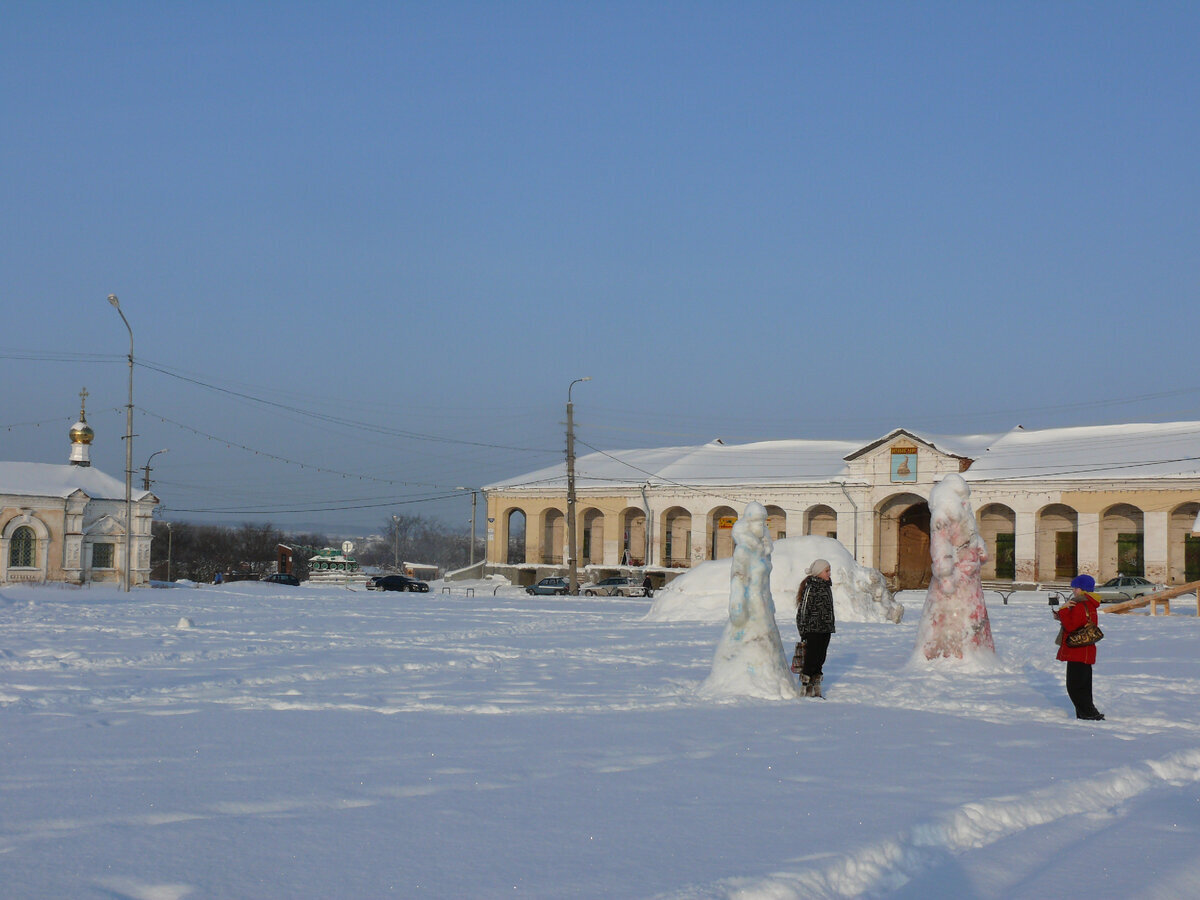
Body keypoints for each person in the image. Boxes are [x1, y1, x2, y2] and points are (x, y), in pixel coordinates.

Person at [1054, 574, 1105, 721]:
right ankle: (1086, 713)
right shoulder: (1089, 604)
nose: (1073, 591)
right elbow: (1078, 622)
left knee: (1074, 687)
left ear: (1082, 589)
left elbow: (1071, 626)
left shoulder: (1080, 604)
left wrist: (1063, 610)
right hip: (1086, 651)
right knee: (1084, 686)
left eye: (1075, 588)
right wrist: (1062, 615)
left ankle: (1089, 714)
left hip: (1077, 651)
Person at [796, 558, 835, 697]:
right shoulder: (811, 587)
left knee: (820, 658)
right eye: (826, 571)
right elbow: (803, 610)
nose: (829, 573)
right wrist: (803, 630)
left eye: (829, 570)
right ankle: (805, 687)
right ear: (818, 572)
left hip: (825, 629)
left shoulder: (827, 586)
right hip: (812, 630)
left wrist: (830, 624)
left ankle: (816, 686)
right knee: (811, 658)